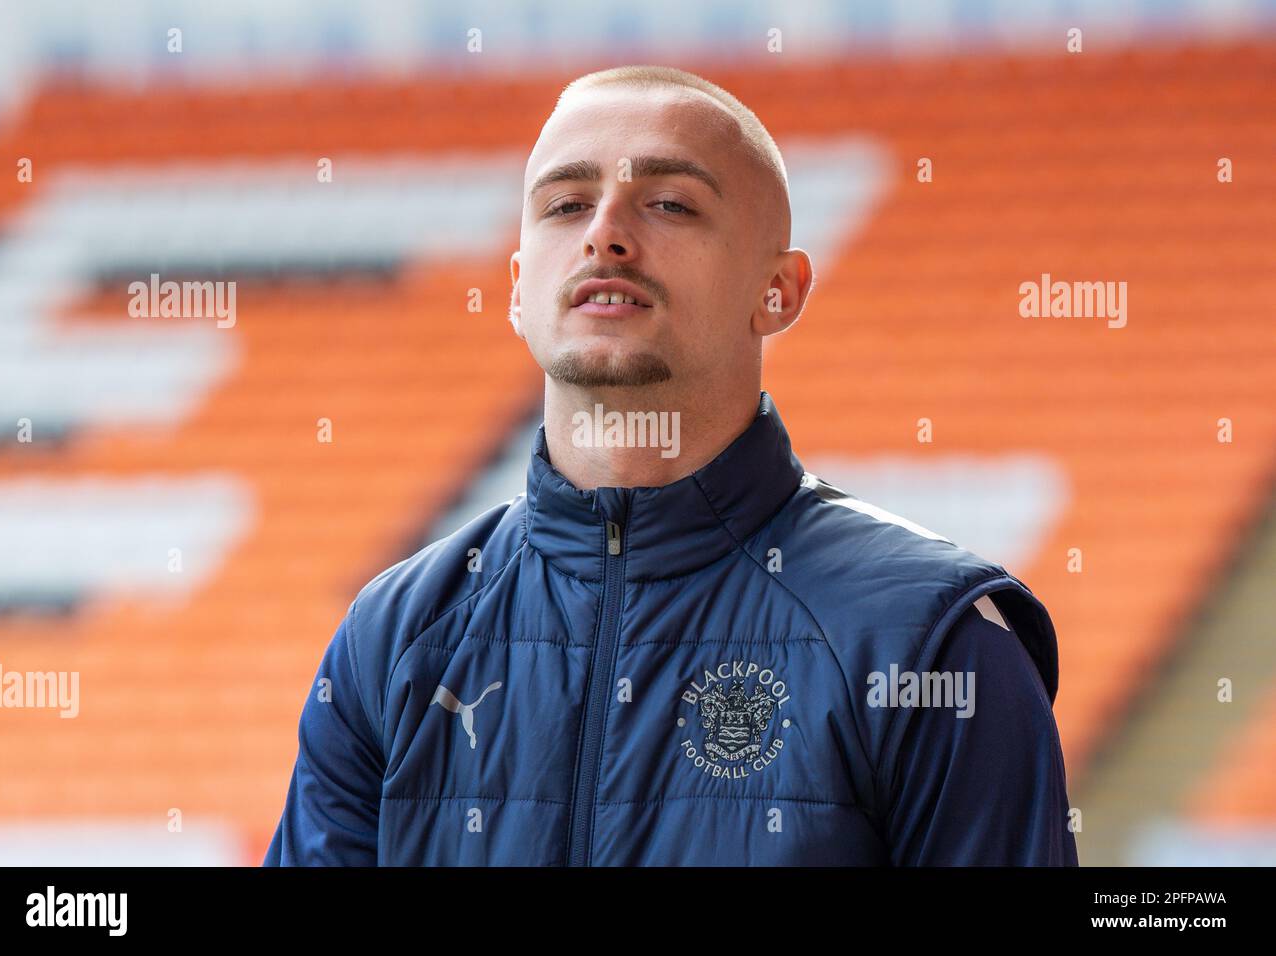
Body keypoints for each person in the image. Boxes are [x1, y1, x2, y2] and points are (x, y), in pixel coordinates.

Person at [264, 64, 1078, 866]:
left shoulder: (933, 644)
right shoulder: (393, 637)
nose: (604, 233)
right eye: (565, 204)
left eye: (669, 204)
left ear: (780, 290)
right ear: (517, 288)